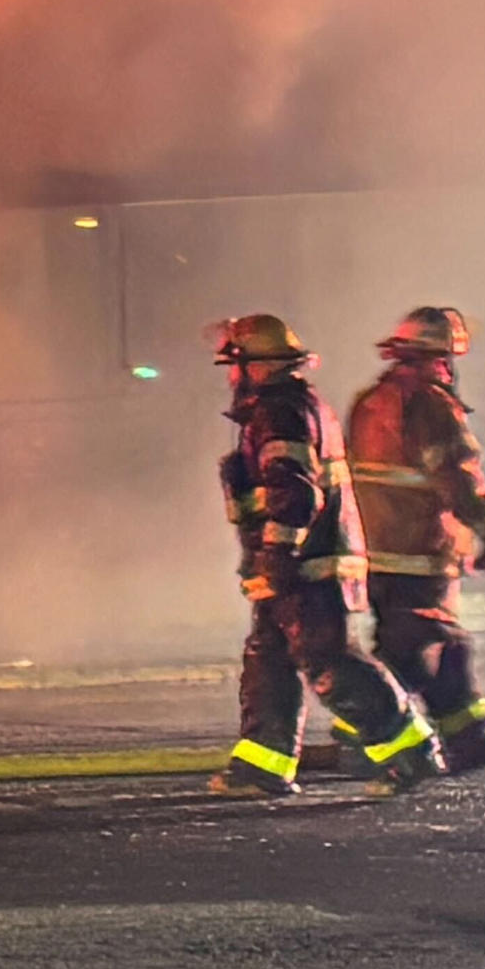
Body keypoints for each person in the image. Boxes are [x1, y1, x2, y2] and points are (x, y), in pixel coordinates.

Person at [207, 313, 437, 799]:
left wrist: (277, 553)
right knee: (268, 661)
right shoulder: (286, 407)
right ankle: (263, 766)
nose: (230, 376)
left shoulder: (281, 412)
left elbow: (294, 491)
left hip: (308, 566)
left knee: (331, 665)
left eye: (235, 365)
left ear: (254, 366)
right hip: (295, 564)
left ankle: (409, 751)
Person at [346, 305, 485, 772]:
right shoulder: (432, 405)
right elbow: (459, 476)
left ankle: (466, 735)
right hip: (422, 550)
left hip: (372, 551)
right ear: (439, 358)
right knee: (425, 643)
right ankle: (368, 734)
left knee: (422, 643)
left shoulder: (369, 403)